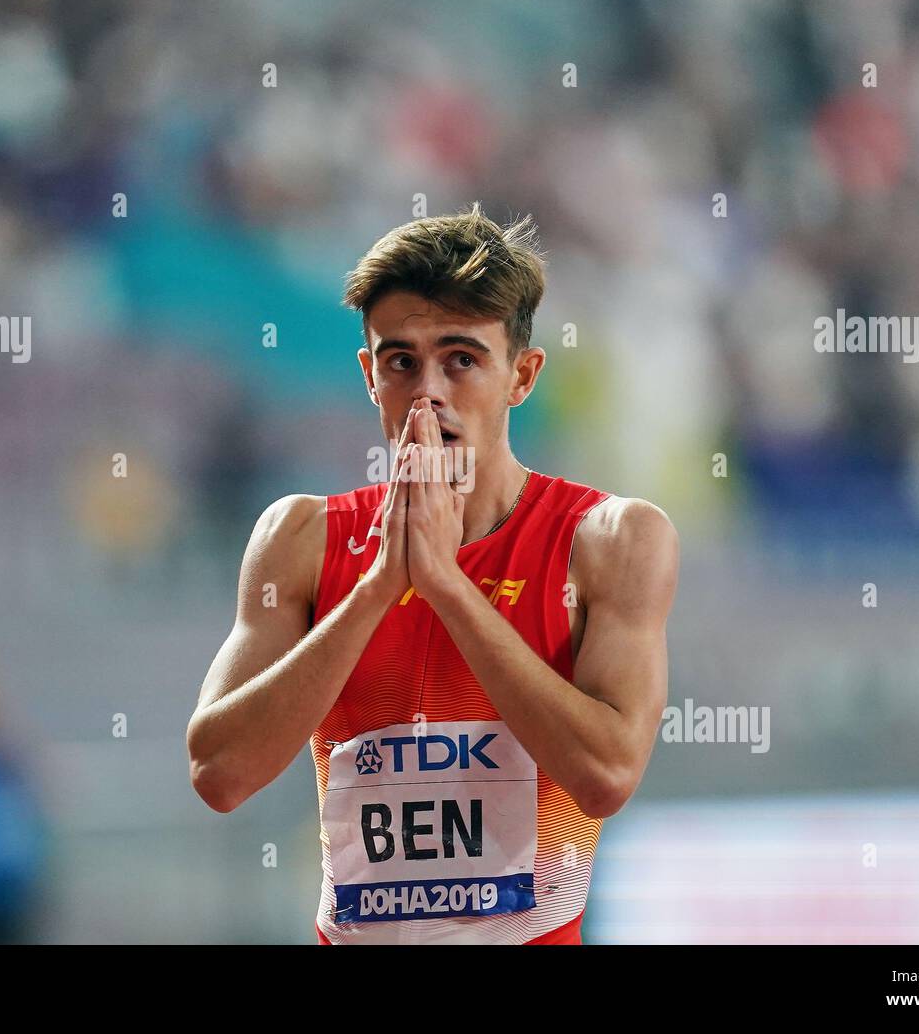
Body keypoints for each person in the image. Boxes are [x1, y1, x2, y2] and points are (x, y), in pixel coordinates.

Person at [187, 203, 679, 944]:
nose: (429, 393)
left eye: (462, 359)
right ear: (368, 375)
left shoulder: (610, 540)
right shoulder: (299, 537)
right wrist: (379, 585)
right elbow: (219, 774)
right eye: (401, 362)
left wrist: (446, 585)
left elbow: (606, 775)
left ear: (522, 375)